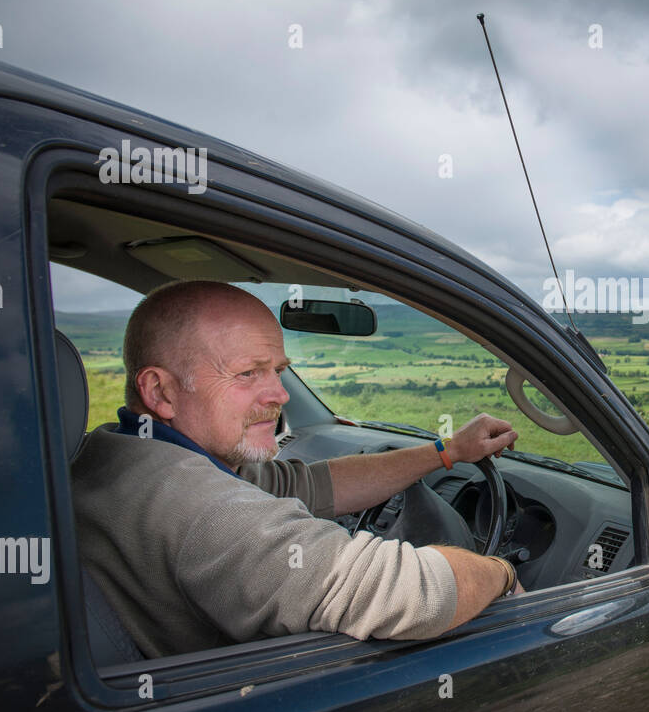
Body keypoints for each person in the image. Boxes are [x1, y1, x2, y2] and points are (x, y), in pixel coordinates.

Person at [71, 280, 522, 659]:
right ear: (161, 391)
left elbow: (312, 484)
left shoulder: (119, 449)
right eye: (248, 374)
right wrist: (501, 574)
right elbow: (410, 593)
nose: (279, 395)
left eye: (279, 371)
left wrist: (446, 452)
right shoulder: (203, 509)